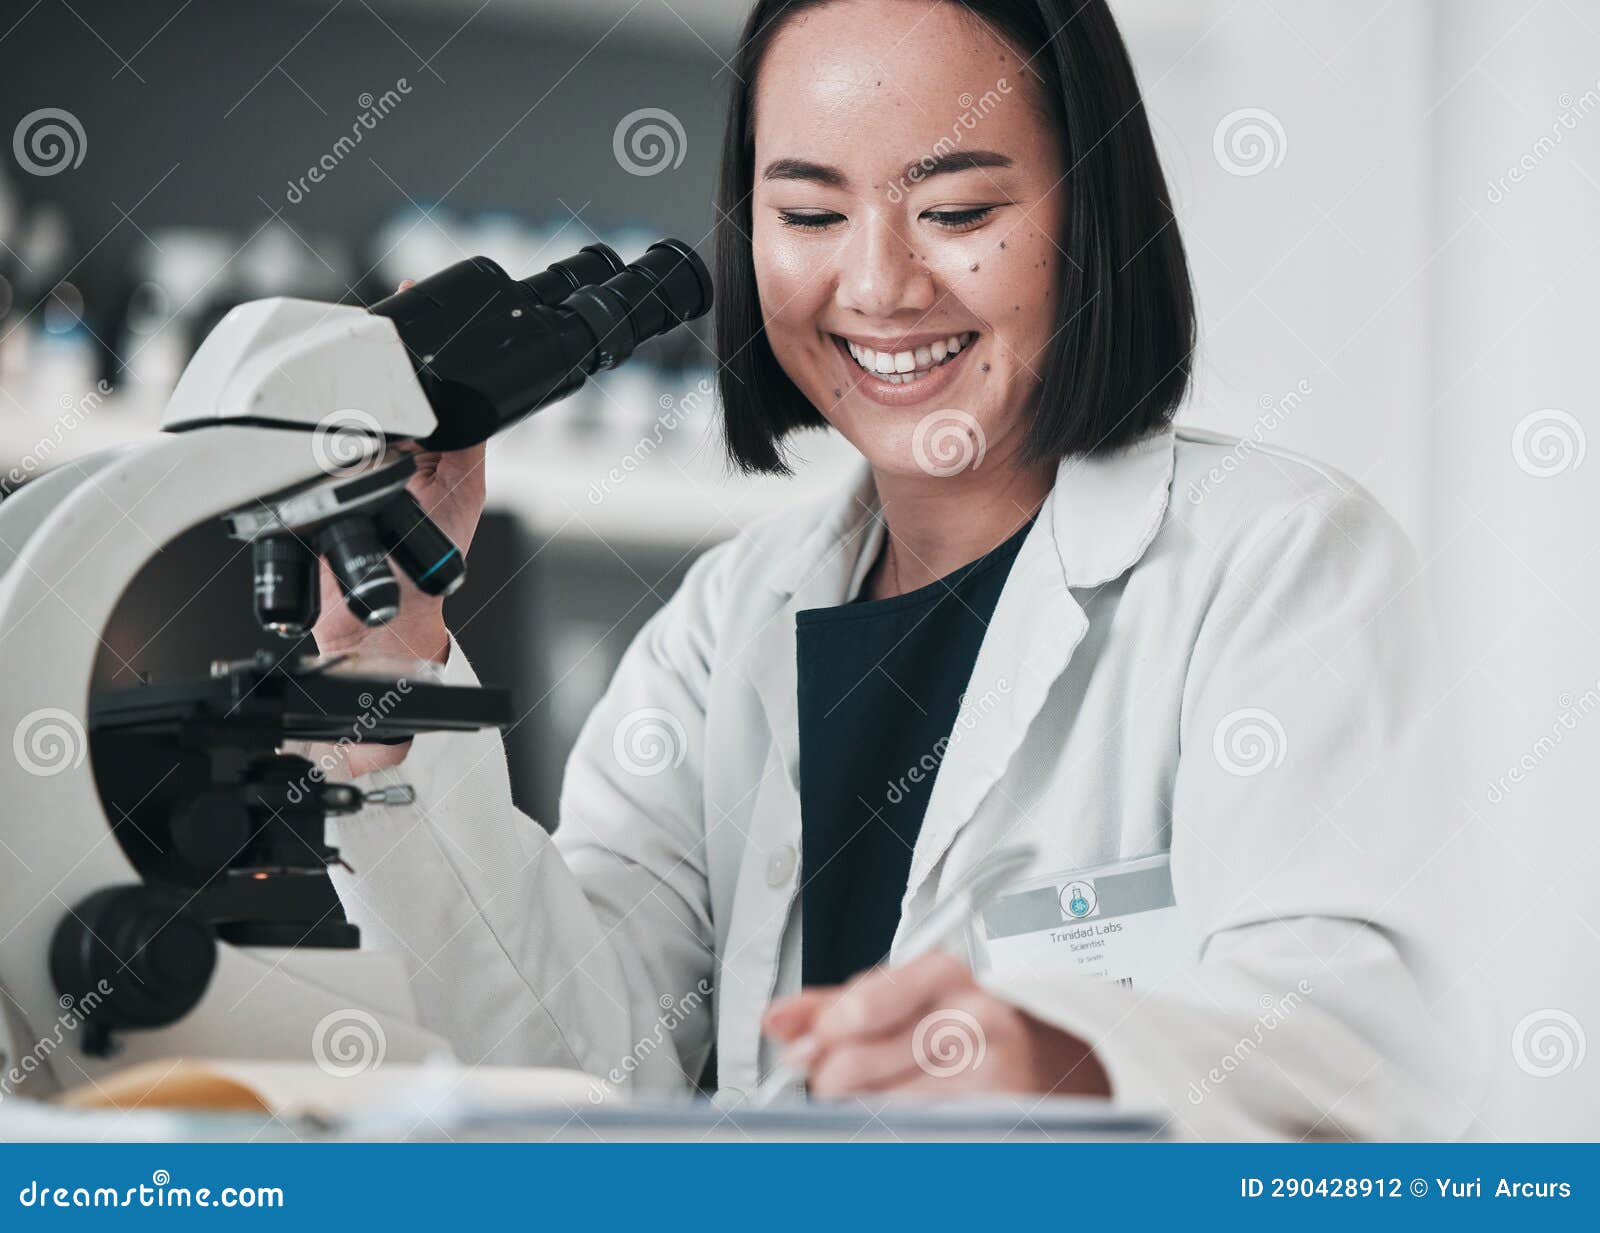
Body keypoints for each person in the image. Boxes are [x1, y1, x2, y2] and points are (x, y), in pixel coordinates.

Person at [308, 0, 1463, 1137]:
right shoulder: (724, 624)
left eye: (955, 210)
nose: (877, 286)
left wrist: (1053, 1060)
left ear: (1092, 211)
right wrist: (391, 655)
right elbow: (574, 1066)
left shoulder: (1275, 564)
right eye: (809, 214)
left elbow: (1353, 1056)